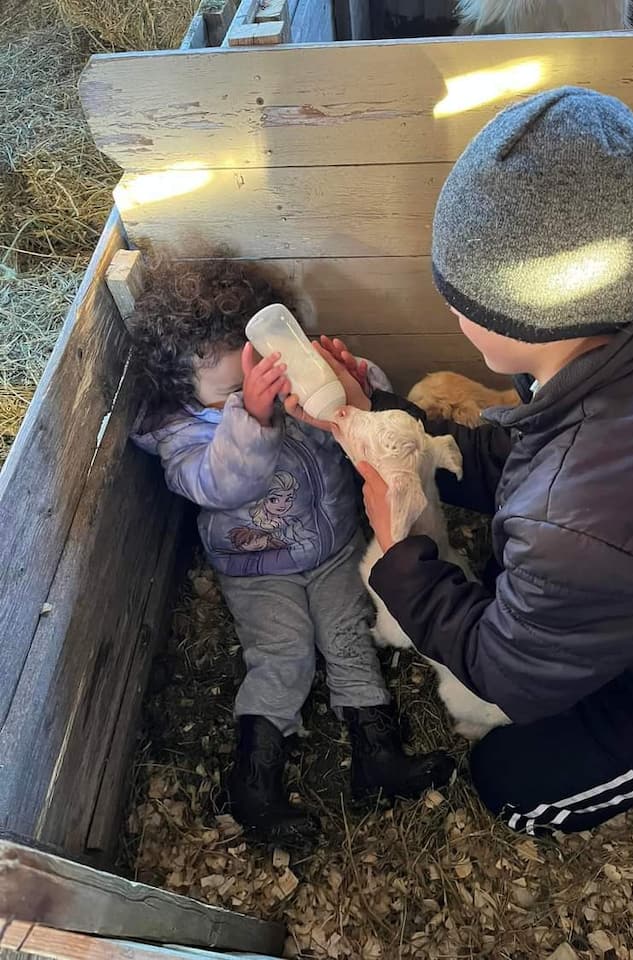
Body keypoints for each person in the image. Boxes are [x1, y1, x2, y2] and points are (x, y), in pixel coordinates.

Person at [289, 87, 633, 835]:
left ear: (514, 307)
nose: (451, 314)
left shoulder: (579, 534)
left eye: (459, 295)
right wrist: (390, 426)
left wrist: (401, 552)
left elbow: (504, 672)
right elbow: (521, 451)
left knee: (507, 786)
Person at [128, 259, 453, 848]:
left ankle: (378, 759)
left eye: (270, 378)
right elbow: (219, 487)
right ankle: (256, 785)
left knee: (350, 635)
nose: (267, 396)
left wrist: (351, 379)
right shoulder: (184, 435)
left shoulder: (293, 393)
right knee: (283, 657)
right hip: (255, 569)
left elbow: (362, 420)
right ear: (186, 390)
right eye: (234, 390)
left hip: (330, 548)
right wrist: (247, 417)